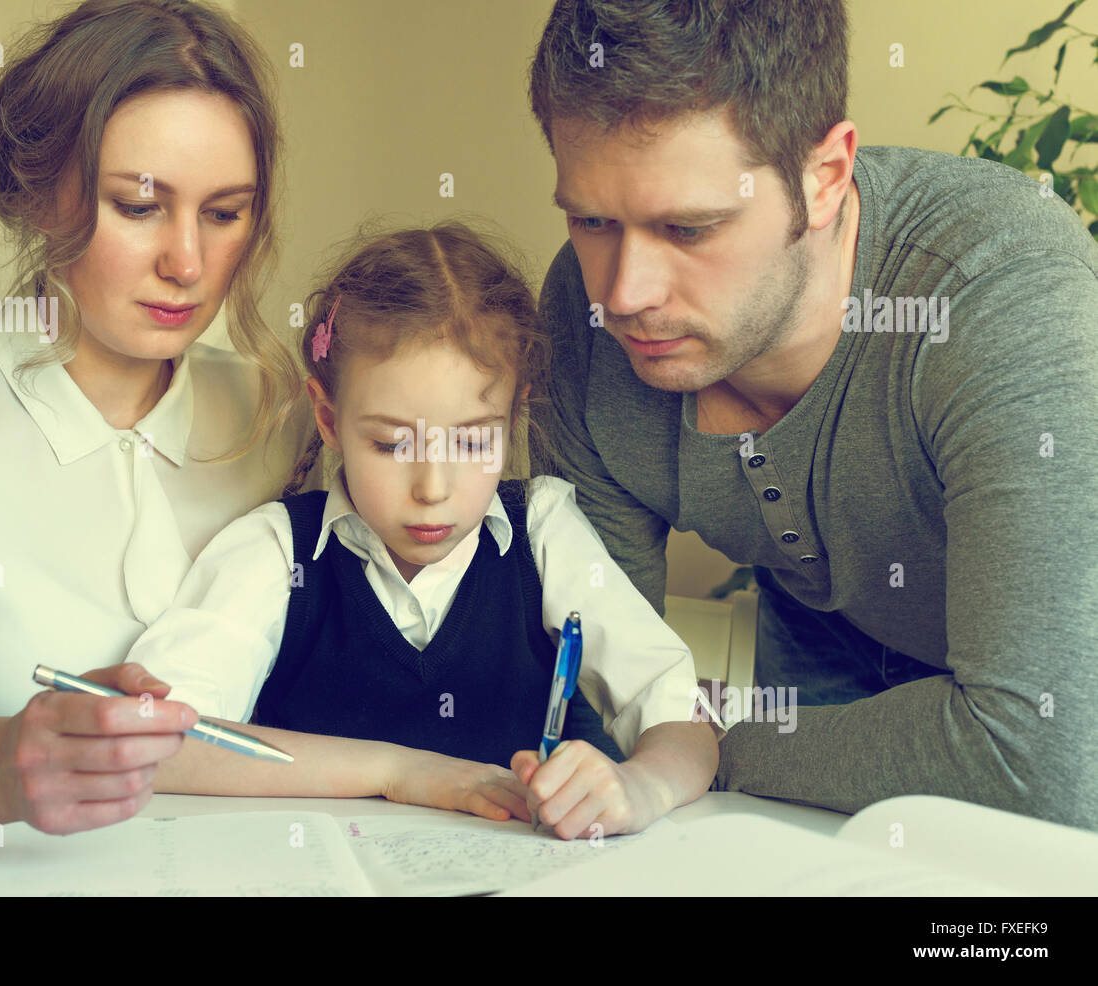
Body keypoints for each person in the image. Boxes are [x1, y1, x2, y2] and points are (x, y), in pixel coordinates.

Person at [527, 0, 1098, 827]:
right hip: (822, 667)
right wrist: (646, 761)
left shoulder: (1004, 294)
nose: (624, 294)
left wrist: (705, 748)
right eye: (591, 220)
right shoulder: (583, 323)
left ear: (825, 178)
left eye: (689, 227)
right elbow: (593, 711)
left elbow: (1040, 756)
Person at [0, 0, 314, 849]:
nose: (187, 262)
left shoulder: (282, 419)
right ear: (42, 197)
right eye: (138, 206)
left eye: (224, 213)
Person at [130, 222, 719, 839]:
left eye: (471, 439)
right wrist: (397, 771)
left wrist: (640, 785)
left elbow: (682, 722)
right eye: (390, 443)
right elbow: (155, 741)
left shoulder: (544, 533)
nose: (432, 488)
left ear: (515, 413)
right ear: (328, 419)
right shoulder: (277, 553)